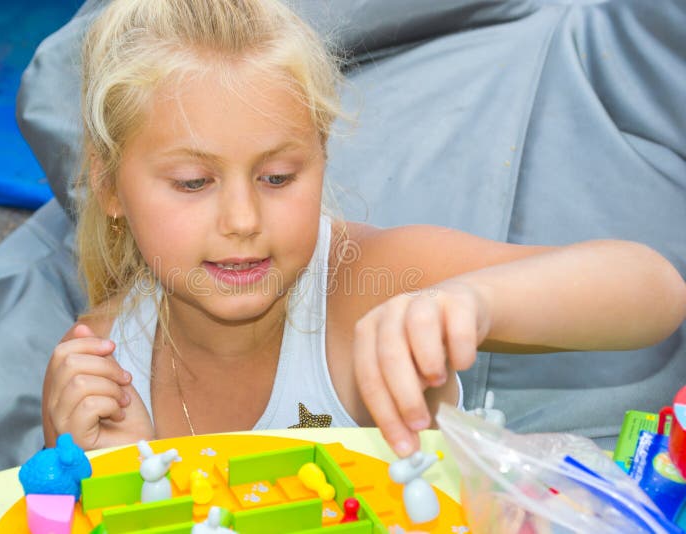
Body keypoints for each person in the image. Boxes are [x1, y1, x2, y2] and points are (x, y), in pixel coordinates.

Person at [41, 0, 686, 458]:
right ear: (109, 185)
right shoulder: (103, 362)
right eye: (192, 182)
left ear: (321, 156)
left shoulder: (369, 287)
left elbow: (653, 290)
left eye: (277, 177)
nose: (242, 221)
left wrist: (474, 303)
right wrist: (109, 474)